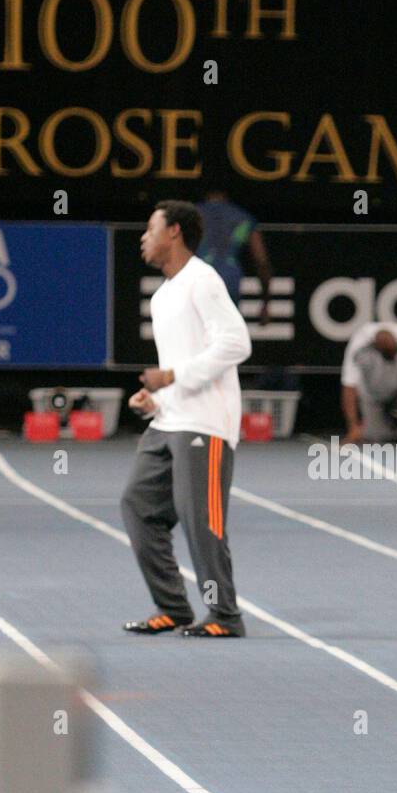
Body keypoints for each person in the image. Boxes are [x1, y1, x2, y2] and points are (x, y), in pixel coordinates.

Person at [120, 200, 253, 638]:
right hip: (169, 420)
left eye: (150, 228)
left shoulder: (203, 280)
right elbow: (180, 360)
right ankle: (173, 607)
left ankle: (224, 615)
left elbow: (236, 344)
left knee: (202, 520)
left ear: (174, 232)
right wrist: (157, 396)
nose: (143, 237)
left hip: (205, 423)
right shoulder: (162, 297)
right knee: (139, 506)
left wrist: (173, 376)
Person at [195, 188, 273, 328]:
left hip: (196, 280)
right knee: (225, 337)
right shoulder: (244, 217)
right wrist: (266, 303)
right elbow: (262, 262)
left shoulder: (190, 216)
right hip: (228, 279)